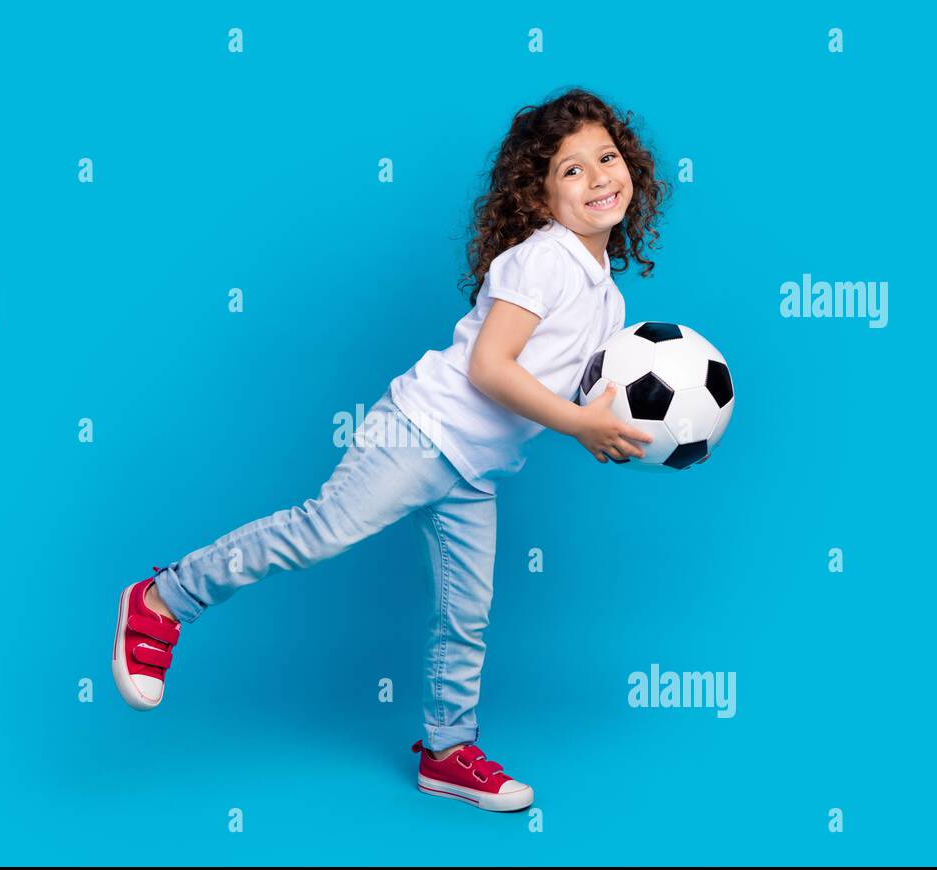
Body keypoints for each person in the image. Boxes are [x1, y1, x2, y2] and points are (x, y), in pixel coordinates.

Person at [111, 87, 675, 812]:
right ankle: (162, 599)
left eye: (607, 157)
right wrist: (576, 424)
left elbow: (581, 394)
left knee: (467, 613)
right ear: (538, 196)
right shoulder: (544, 260)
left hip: (476, 468)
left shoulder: (609, 299)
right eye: (571, 170)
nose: (599, 177)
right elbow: (490, 368)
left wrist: (611, 431)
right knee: (321, 532)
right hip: (419, 429)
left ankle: (447, 752)